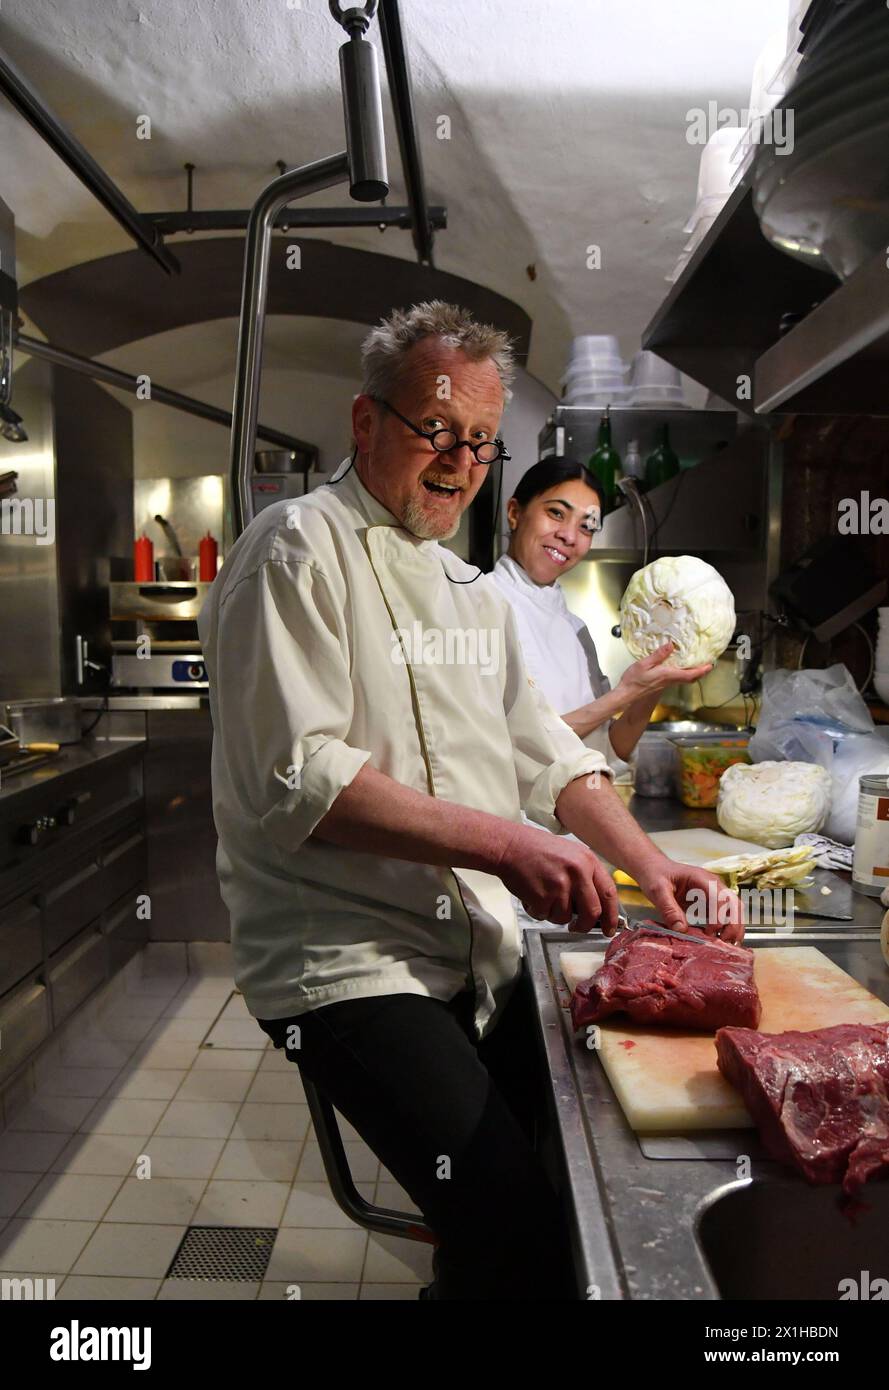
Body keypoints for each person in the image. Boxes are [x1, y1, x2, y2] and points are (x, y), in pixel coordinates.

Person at [197, 300, 742, 1302]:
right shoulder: (294, 551)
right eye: (434, 431)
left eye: (482, 442)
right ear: (366, 424)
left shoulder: (461, 593)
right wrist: (506, 848)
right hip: (343, 961)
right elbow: (300, 780)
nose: (459, 462)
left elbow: (546, 754)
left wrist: (654, 862)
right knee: (514, 1223)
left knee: (559, 1160)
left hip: (463, 950)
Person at [490, 457, 712, 770]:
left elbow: (610, 748)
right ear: (515, 513)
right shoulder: (482, 606)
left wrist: (654, 683)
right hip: (517, 818)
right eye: (556, 513)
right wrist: (624, 693)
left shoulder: (576, 630)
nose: (569, 536)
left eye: (586, 526)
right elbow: (518, 747)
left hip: (578, 813)